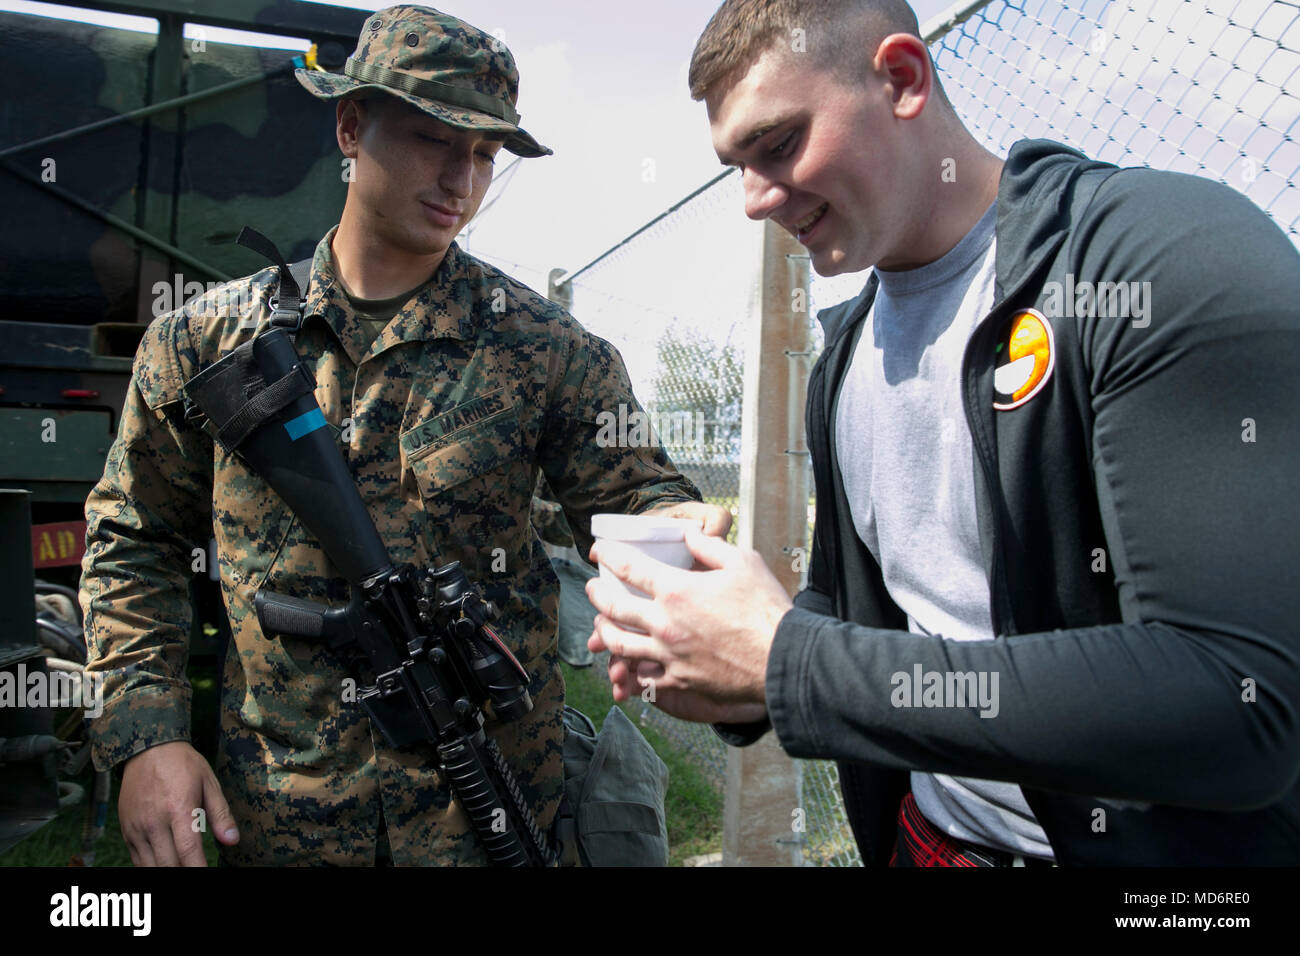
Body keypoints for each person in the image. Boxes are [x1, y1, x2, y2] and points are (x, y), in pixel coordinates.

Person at [587, 0, 1300, 865]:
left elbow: (1237, 704)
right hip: (927, 842)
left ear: (902, 78)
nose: (754, 200)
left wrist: (790, 664)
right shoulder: (846, 353)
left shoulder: (1161, 255)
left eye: (778, 145)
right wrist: (725, 663)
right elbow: (879, 627)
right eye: (736, 164)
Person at [79, 4, 727, 867]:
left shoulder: (545, 349)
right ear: (350, 125)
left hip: (484, 821)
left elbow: (637, 496)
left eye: (486, 154)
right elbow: (137, 539)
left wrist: (678, 532)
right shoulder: (205, 343)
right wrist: (145, 735)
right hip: (279, 825)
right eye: (434, 139)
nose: (463, 178)